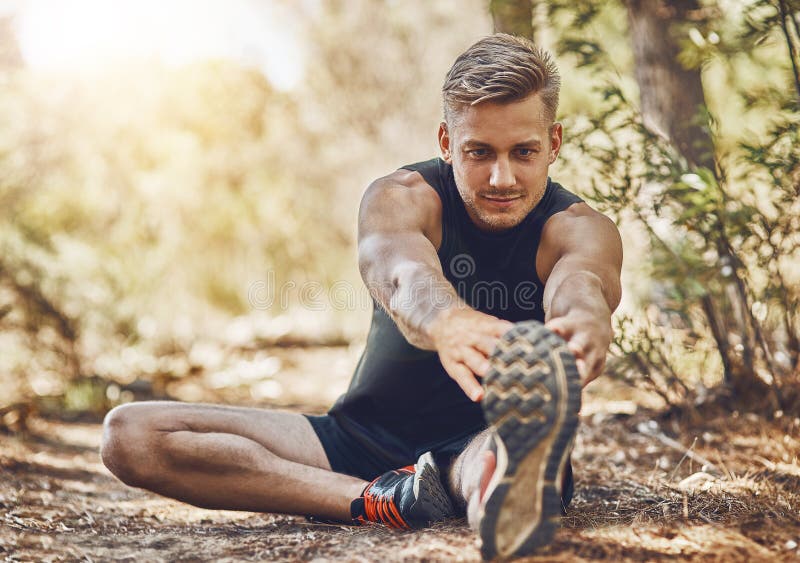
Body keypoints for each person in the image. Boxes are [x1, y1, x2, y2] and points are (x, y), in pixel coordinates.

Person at [100, 34, 622, 559]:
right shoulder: (400, 198)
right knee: (130, 435)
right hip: (357, 440)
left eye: (524, 152)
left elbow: (582, 286)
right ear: (446, 141)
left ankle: (493, 489)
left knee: (502, 470)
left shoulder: (580, 228)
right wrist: (447, 321)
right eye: (478, 152)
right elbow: (401, 274)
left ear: (554, 143)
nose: (501, 176)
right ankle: (381, 499)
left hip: (482, 441)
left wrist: (583, 325)